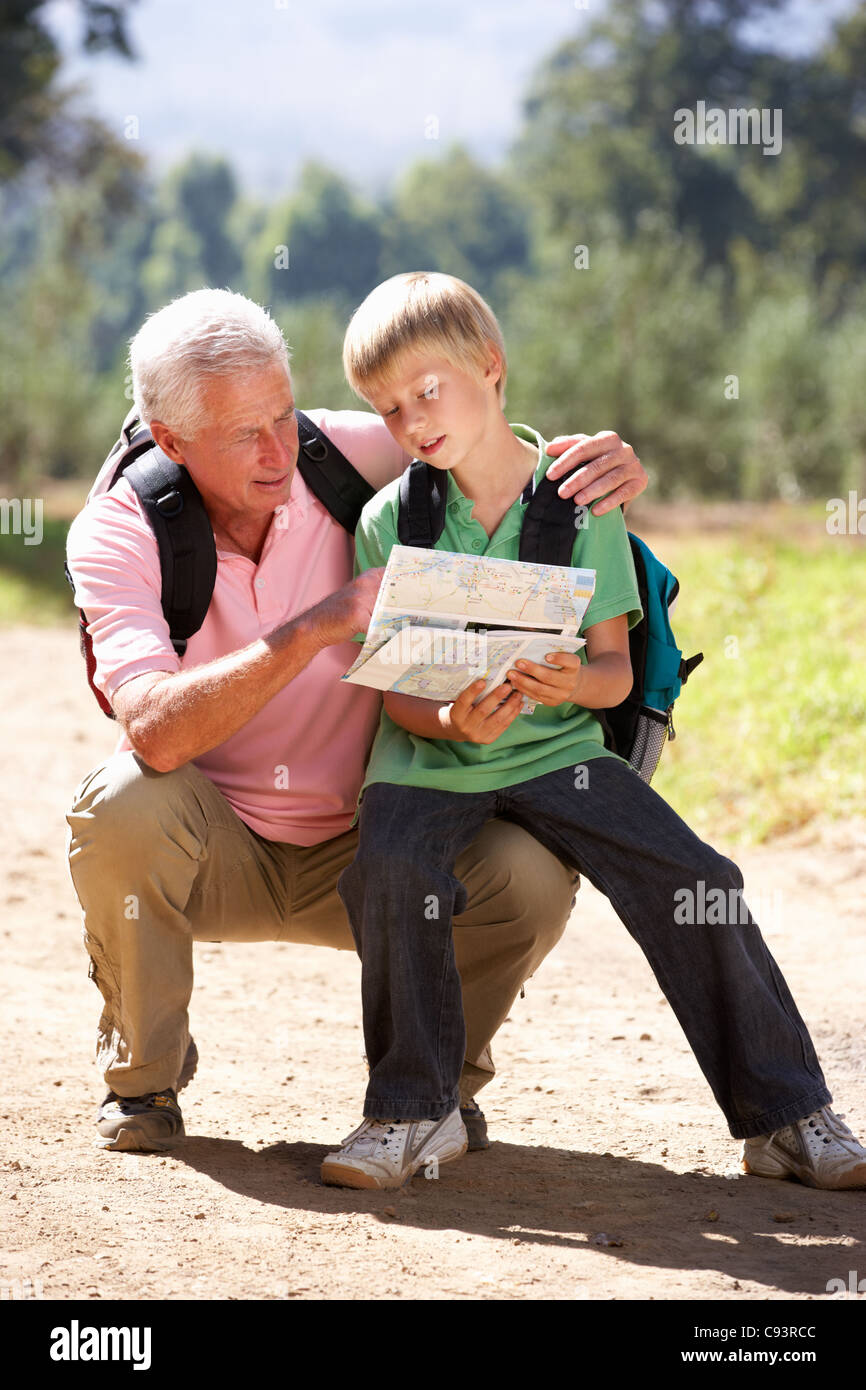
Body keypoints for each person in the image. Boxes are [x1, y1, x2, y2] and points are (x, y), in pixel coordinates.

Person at [64, 287, 649, 1153]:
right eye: (242, 435)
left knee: (527, 874)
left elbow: (487, 428)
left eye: (283, 414)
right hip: (215, 852)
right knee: (117, 805)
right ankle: (144, 1083)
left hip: (384, 846)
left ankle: (436, 1092)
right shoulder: (118, 531)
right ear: (171, 440)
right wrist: (317, 625)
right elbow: (154, 731)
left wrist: (599, 460)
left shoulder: (343, 453)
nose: (278, 453)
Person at [322, 269, 866, 1192]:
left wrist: (573, 681)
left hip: (562, 754)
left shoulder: (581, 507)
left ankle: (787, 1117)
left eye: (427, 391)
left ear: (490, 368)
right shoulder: (389, 520)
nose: (413, 423)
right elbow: (398, 697)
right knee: (391, 868)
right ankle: (413, 1113)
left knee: (699, 877)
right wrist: (452, 714)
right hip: (426, 760)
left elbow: (614, 669)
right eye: (388, 409)